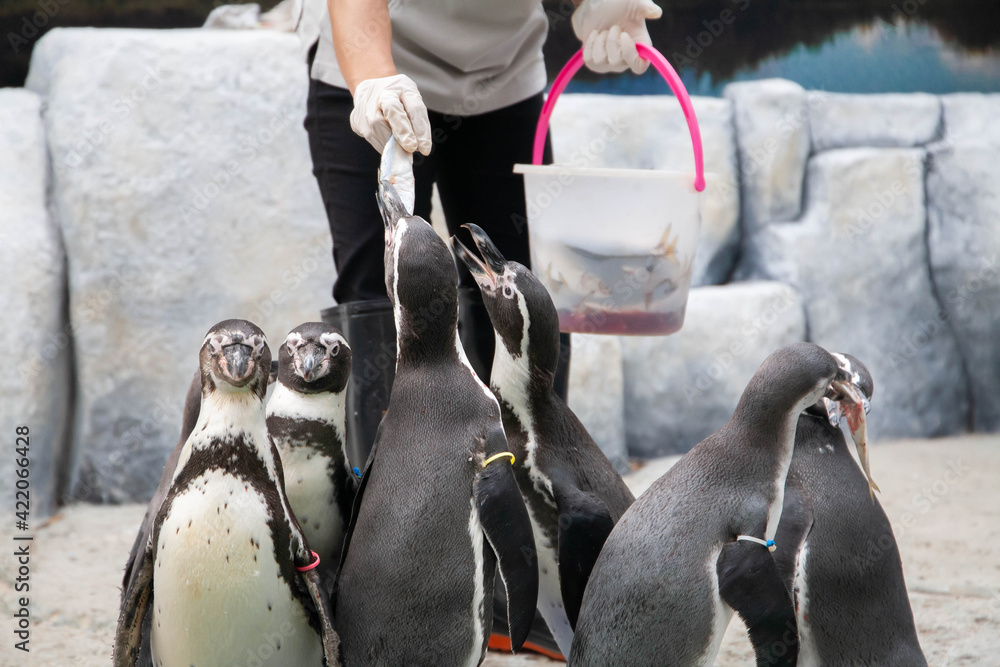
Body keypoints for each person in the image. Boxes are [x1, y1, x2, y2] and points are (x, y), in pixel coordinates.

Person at [294, 0, 661, 465]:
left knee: (519, 295)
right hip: (375, 55)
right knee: (378, 294)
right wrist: (372, 78)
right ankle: (387, 505)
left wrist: (594, 5)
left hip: (503, 72)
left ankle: (530, 500)